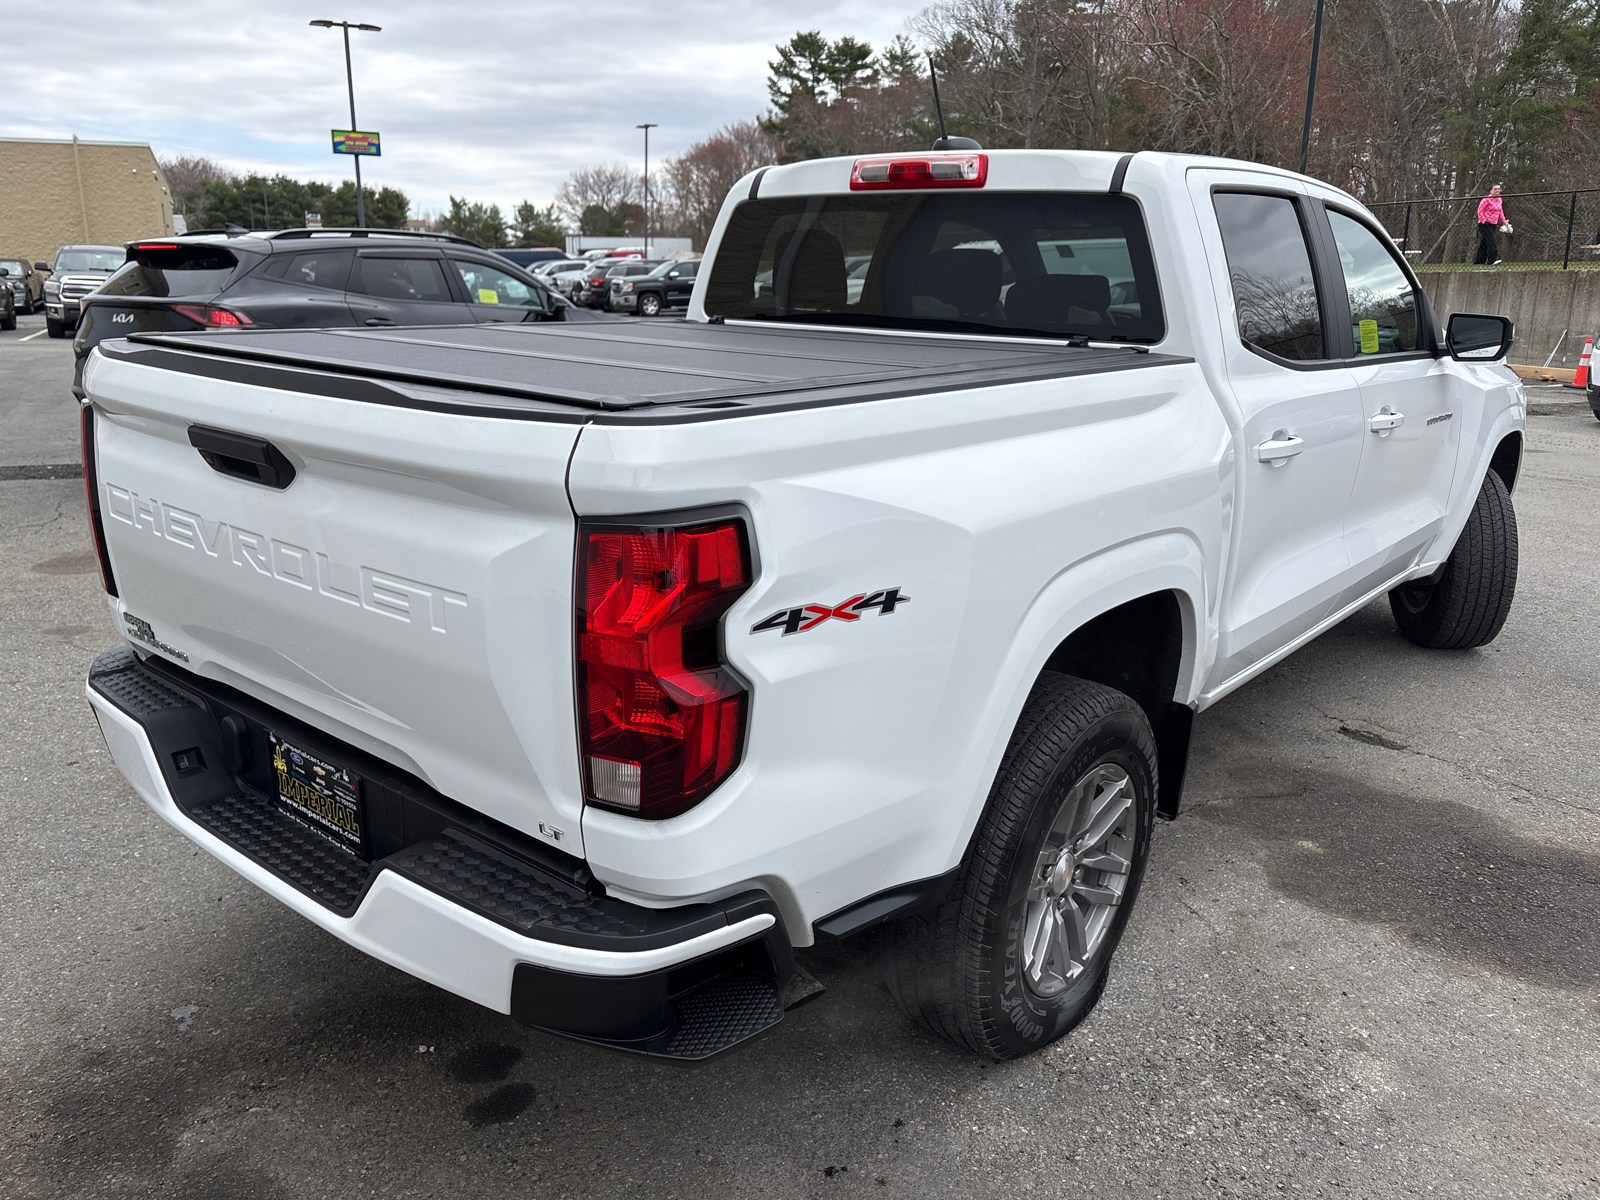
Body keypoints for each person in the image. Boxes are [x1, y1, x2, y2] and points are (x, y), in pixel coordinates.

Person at [1475, 184, 1506, 264]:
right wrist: (1484, 220)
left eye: (1498, 189)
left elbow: (1500, 211)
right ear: (1491, 190)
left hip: (1493, 224)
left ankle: (1479, 262)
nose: (1497, 191)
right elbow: (1480, 210)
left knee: (1484, 243)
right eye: (1495, 189)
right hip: (1484, 224)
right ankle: (1492, 260)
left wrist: (1504, 221)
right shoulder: (1486, 199)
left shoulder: (1499, 199)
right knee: (1491, 242)